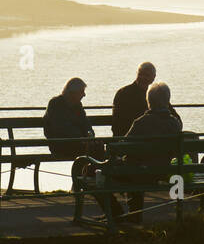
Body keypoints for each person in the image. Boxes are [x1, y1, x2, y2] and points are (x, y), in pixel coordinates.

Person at [45, 78, 118, 220]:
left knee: (97, 147)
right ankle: (99, 181)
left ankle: (92, 181)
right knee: (97, 153)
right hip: (61, 145)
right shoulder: (55, 104)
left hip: (80, 145)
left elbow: (86, 125)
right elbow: (60, 129)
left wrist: (90, 136)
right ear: (72, 92)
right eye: (82, 92)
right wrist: (81, 138)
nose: (84, 95)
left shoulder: (77, 105)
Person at [120, 81, 184, 224]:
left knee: (121, 168)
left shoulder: (141, 123)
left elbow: (123, 147)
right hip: (165, 172)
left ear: (148, 101)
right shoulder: (175, 123)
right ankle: (178, 212)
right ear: (167, 101)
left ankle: (128, 214)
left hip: (141, 173)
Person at [111, 62, 156, 138]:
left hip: (141, 139)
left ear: (153, 77)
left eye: (146, 75)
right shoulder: (123, 94)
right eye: (140, 74)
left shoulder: (156, 94)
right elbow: (118, 125)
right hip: (129, 138)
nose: (143, 77)